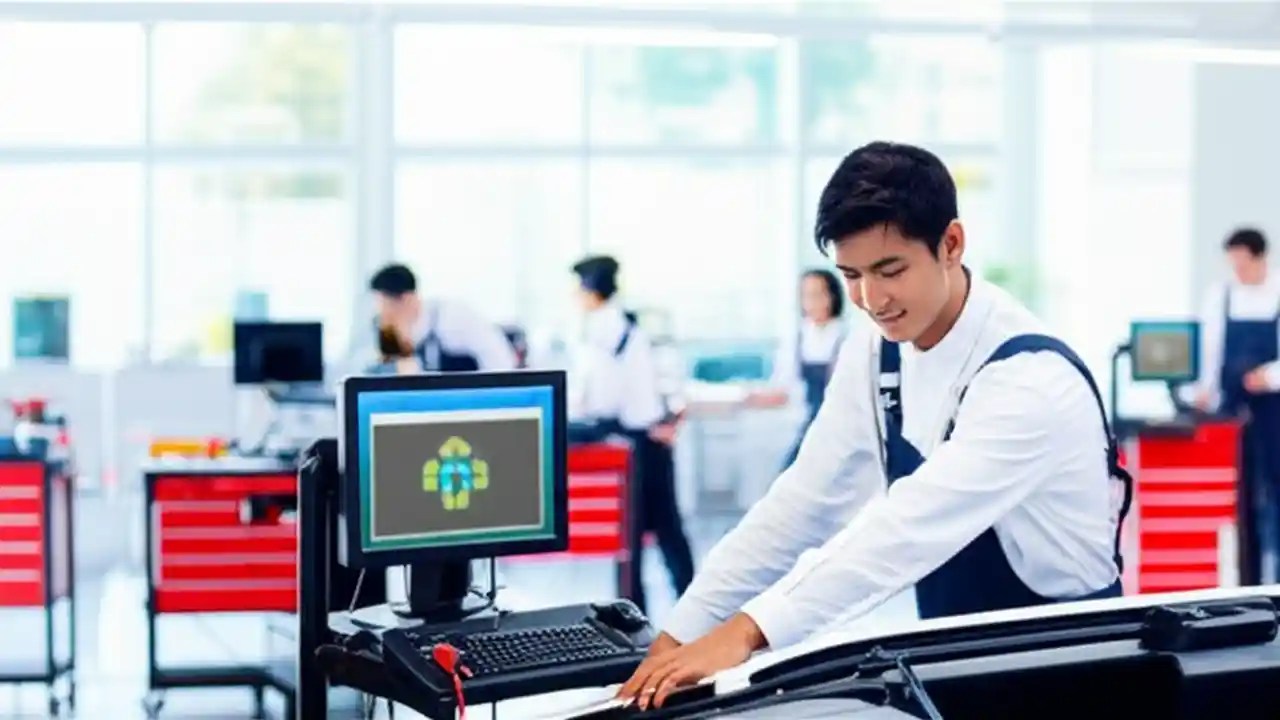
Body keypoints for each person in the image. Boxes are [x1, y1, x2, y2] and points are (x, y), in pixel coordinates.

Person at [618, 141, 1131, 709]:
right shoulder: (880, 350)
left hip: (1069, 671)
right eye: (852, 276)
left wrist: (743, 633)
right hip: (956, 661)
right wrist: (678, 637)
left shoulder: (1028, 381)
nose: (870, 299)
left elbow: (904, 531)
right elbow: (803, 502)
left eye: (890, 271)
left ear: (951, 245)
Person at [567, 255, 695, 614]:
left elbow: (602, 399)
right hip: (651, 439)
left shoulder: (603, 330)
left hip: (635, 446)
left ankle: (635, 613)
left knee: (635, 536)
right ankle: (692, 608)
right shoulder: (627, 325)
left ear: (591, 290)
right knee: (667, 533)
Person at [1191, 228, 1280, 585]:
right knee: (1239, 500)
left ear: (1260, 257)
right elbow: (1210, 354)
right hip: (1233, 413)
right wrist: (1203, 391)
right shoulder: (1221, 296)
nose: (1238, 270)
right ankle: (1247, 582)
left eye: (1243, 262)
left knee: (1274, 495)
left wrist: (1270, 377)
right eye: (1234, 263)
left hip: (1274, 412)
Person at [748, 268, 849, 469]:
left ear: (833, 296)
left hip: (839, 424)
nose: (812, 302)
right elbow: (784, 385)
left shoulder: (847, 337)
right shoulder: (798, 338)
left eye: (818, 294)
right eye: (807, 295)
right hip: (806, 421)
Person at [367, 263, 517, 373]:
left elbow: (501, 362)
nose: (383, 316)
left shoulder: (454, 317)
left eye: (387, 307)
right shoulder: (387, 329)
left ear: (407, 299)